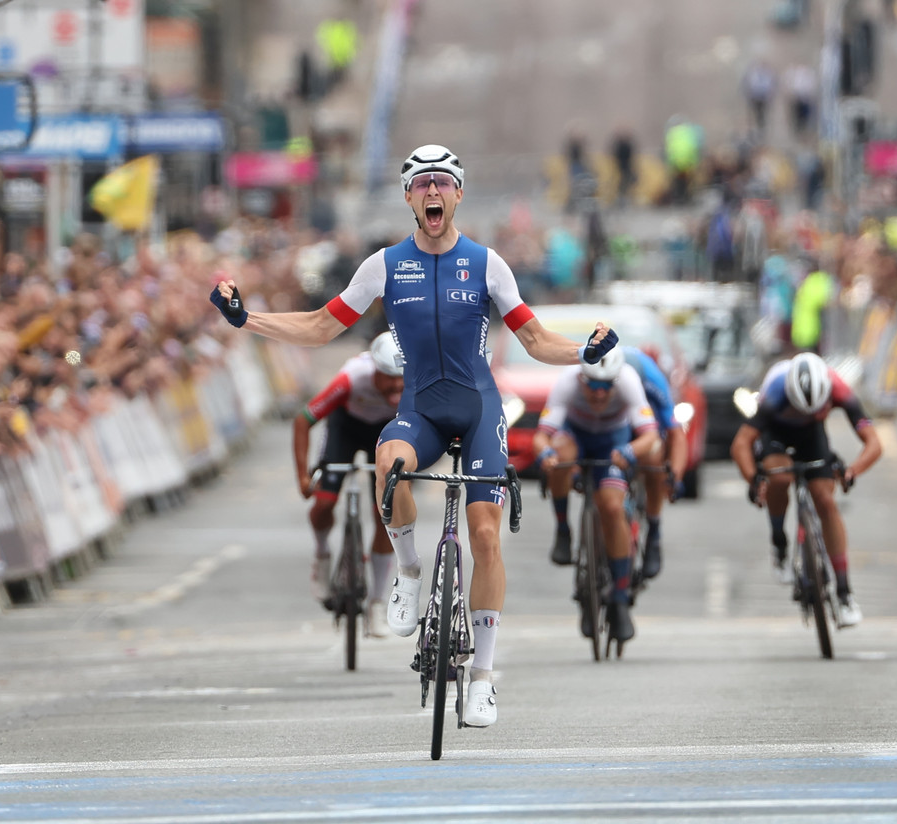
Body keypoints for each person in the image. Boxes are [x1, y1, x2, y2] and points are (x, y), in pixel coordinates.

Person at [210, 143, 620, 728]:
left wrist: (584, 352)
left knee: (484, 535)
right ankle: (405, 572)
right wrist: (248, 320)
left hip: (477, 408)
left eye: (443, 183)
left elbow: (535, 340)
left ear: (457, 195)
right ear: (408, 197)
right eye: (421, 184)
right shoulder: (383, 265)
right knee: (390, 462)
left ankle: (482, 678)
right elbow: (323, 325)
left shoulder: (487, 264)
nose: (432, 192)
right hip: (422, 407)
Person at [729, 352, 882, 627]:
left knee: (826, 500)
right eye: (799, 408)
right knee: (781, 477)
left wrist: (851, 471)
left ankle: (845, 594)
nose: (803, 412)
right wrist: (754, 479)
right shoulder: (775, 392)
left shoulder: (839, 388)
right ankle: (779, 543)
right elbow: (741, 444)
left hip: (813, 436)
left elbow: (873, 444)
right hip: (776, 434)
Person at [532, 349, 660, 643]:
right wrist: (546, 454)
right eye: (592, 386)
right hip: (575, 436)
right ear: (581, 377)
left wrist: (630, 451)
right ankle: (563, 530)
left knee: (613, 509)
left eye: (606, 387)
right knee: (561, 456)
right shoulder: (566, 382)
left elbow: (650, 437)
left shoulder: (627, 380)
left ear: (615, 381)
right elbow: (542, 436)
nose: (599, 394)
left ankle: (618, 597)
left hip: (612, 443)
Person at [292, 332, 404, 635]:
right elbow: (303, 420)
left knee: (386, 516)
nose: (396, 386)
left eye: (401, 379)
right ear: (374, 371)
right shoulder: (352, 378)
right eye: (388, 378)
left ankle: (377, 604)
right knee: (324, 502)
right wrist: (303, 476)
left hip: (383, 432)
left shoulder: (414, 380)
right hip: (346, 426)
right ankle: (322, 553)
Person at [620, 345, 688, 580]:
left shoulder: (653, 380)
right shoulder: (602, 377)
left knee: (653, 460)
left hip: (647, 427)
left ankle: (654, 529)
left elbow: (676, 433)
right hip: (614, 425)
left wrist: (674, 475)